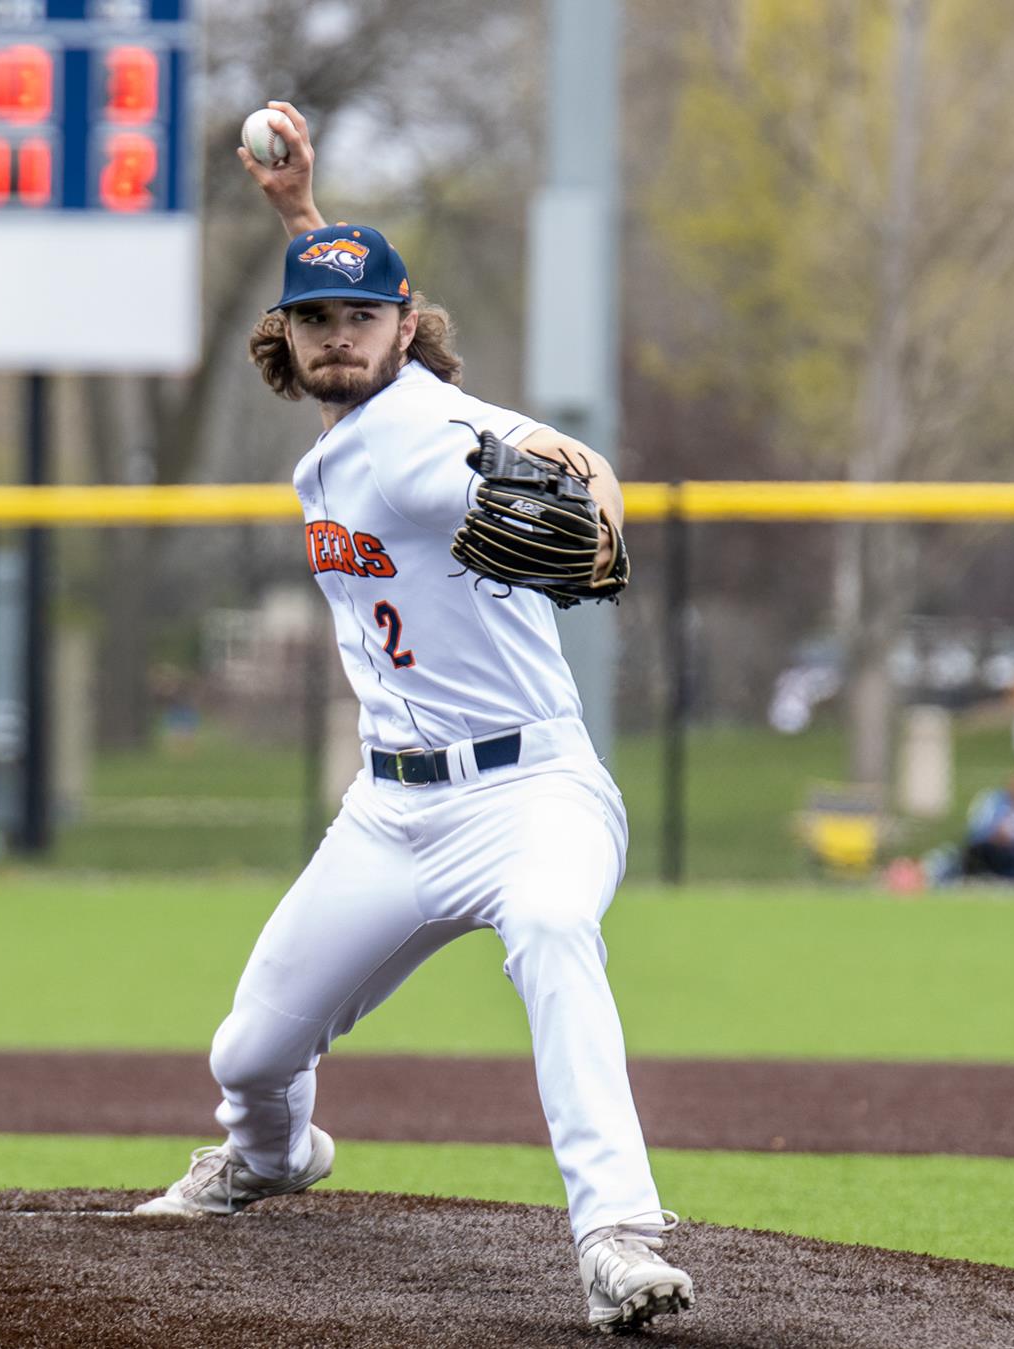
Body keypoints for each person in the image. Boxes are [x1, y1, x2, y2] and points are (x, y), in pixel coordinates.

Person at [129, 103, 694, 1334]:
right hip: (388, 813)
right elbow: (352, 304)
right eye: (317, 316)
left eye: (365, 315)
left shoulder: (430, 435)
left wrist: (594, 499)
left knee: (551, 930)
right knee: (246, 1056)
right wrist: (298, 216)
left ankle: (616, 1234)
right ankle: (268, 1154)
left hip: (527, 791)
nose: (341, 334)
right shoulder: (338, 441)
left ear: (407, 327)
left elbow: (557, 452)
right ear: (288, 334)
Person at [927, 768, 1014, 885]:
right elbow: (975, 833)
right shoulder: (993, 802)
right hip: (992, 853)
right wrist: (994, 835)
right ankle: (928, 876)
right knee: (952, 855)